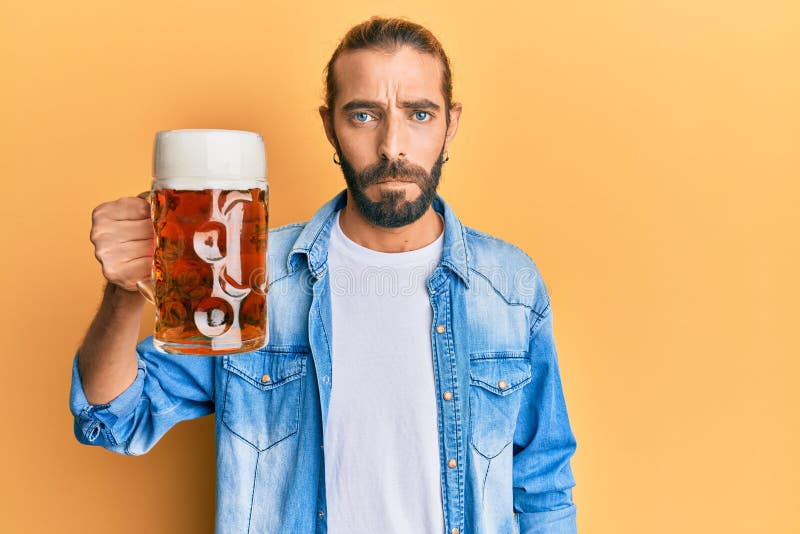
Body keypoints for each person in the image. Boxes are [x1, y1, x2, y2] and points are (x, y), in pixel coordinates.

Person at [70, 16, 577, 534]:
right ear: (329, 126)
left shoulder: (510, 287)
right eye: (363, 115)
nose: (392, 146)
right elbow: (114, 420)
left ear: (450, 125)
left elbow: (543, 486)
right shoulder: (250, 278)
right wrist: (123, 293)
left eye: (419, 113)